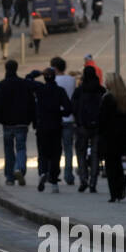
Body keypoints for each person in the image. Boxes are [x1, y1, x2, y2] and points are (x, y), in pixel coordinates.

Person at [0, 60, 37, 186]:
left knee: (8, 150)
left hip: (7, 123)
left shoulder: (1, 85)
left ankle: (10, 177)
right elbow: (32, 104)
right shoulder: (24, 84)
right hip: (22, 122)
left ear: (6, 68)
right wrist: (34, 121)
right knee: (21, 147)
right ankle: (19, 168)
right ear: (16, 68)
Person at [26, 67, 72, 192]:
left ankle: (42, 172)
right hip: (56, 126)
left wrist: (37, 73)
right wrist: (60, 113)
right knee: (55, 154)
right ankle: (54, 181)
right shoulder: (60, 91)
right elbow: (68, 108)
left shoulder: (39, 89)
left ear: (44, 77)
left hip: (42, 125)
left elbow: (27, 79)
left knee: (42, 152)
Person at [98, 72, 126, 202]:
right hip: (122, 137)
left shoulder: (107, 98)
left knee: (110, 165)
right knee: (118, 164)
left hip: (109, 137)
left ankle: (114, 193)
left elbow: (102, 120)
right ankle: (121, 184)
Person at [71, 65, 106, 193]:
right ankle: (93, 182)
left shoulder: (79, 91)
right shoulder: (101, 90)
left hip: (82, 127)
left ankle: (83, 179)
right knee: (96, 154)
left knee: (81, 153)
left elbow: (73, 108)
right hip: (97, 127)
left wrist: (78, 120)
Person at [50, 57, 76, 185]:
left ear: (54, 68)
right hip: (69, 118)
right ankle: (69, 174)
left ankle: (54, 173)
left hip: (55, 118)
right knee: (68, 148)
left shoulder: (53, 80)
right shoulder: (72, 80)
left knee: (55, 148)